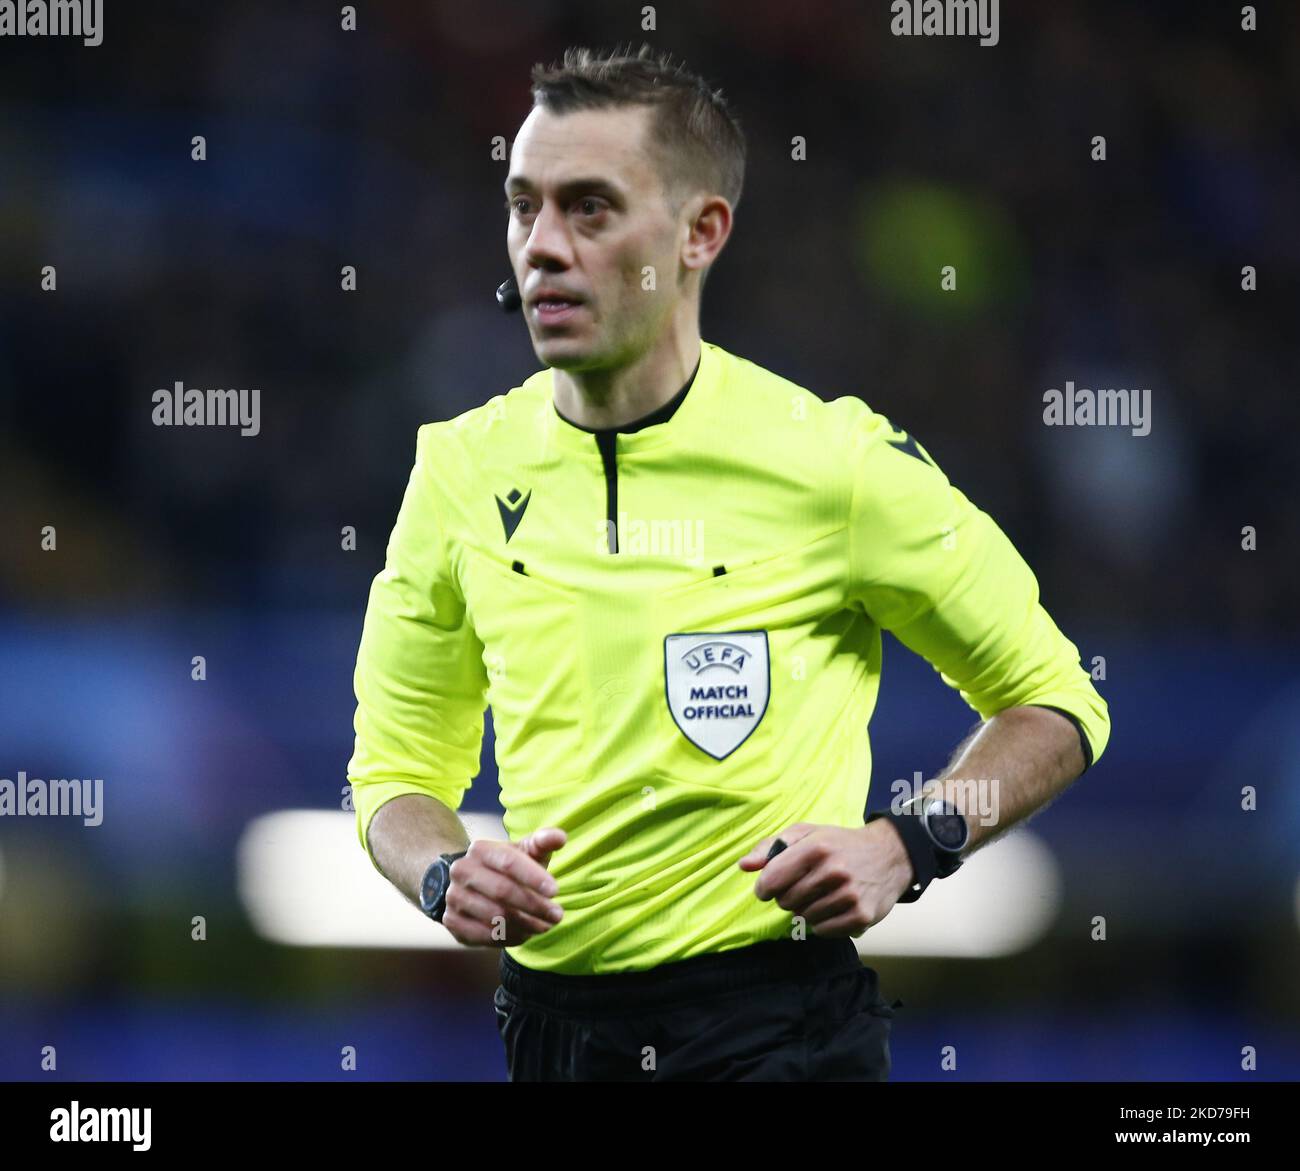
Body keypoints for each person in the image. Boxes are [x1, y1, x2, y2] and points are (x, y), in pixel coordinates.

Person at [345, 44, 1110, 1082]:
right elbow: (393, 776)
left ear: (700, 232)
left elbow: (1057, 702)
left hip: (775, 1028)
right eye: (524, 206)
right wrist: (441, 874)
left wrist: (909, 841)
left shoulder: (833, 463)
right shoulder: (459, 471)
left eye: (590, 209)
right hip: (550, 1033)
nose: (542, 247)